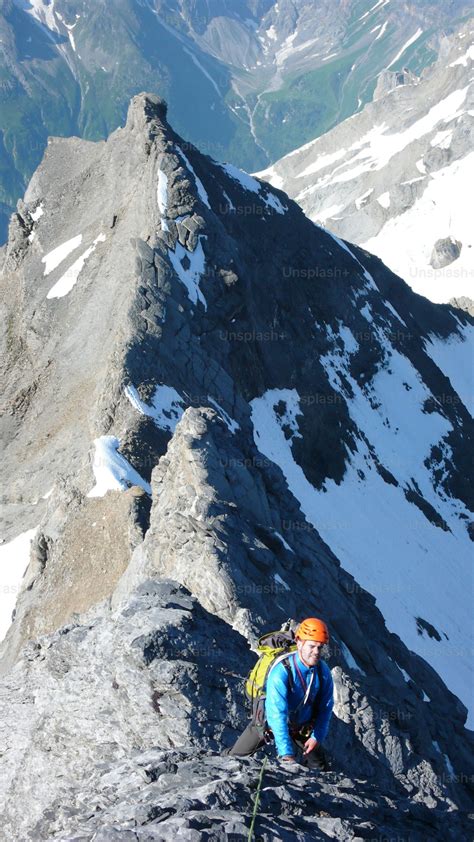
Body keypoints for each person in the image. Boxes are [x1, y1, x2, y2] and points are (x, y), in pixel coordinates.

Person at [229, 618, 334, 769]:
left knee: (320, 766)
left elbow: (325, 708)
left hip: (301, 725)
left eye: (320, 647)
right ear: (299, 643)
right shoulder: (281, 672)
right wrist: (286, 754)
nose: (316, 652)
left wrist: (317, 736)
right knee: (235, 759)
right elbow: (277, 714)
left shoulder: (322, 672)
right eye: (312, 646)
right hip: (268, 724)